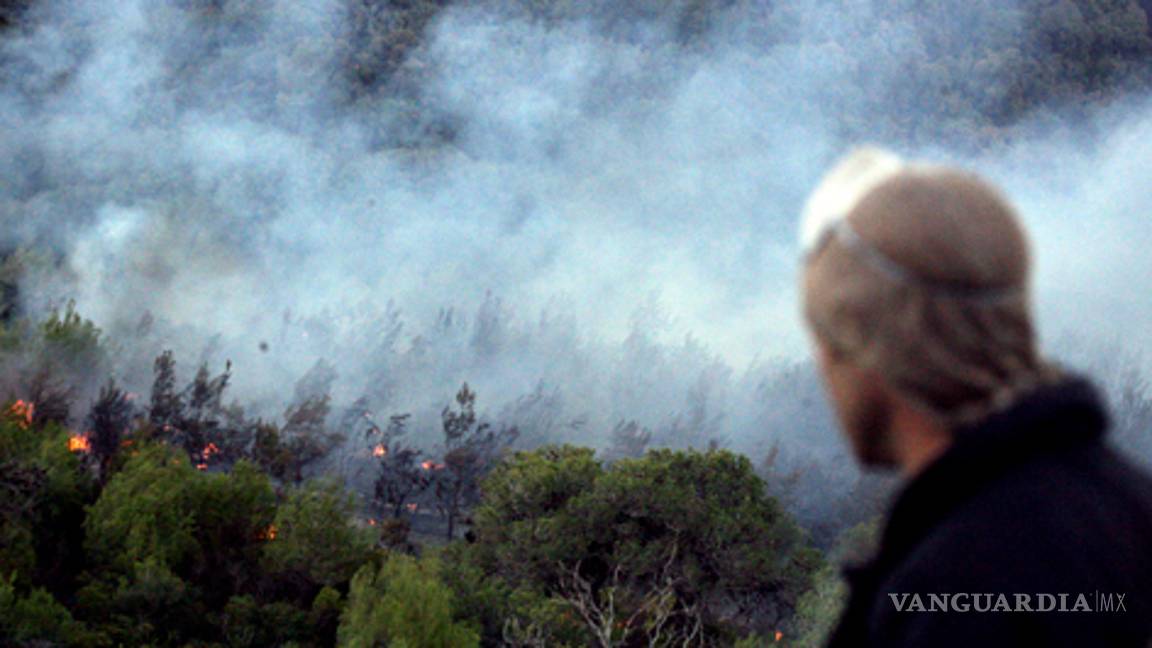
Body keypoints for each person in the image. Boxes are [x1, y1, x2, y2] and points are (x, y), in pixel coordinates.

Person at [799, 148, 1152, 647]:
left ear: (871, 352)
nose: (822, 366)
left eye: (827, 340)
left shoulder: (959, 594)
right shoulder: (1126, 508)